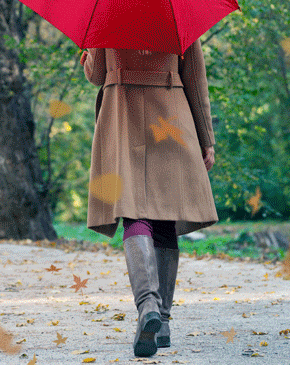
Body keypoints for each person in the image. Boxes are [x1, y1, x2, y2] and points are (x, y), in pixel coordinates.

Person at [80, 44, 217, 358]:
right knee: (164, 211)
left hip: (122, 113)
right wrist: (205, 137)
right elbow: (195, 78)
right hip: (170, 111)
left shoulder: (107, 7)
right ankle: (163, 321)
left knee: (134, 211)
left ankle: (148, 308)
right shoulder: (176, 2)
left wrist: (89, 51)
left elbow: (96, 75)